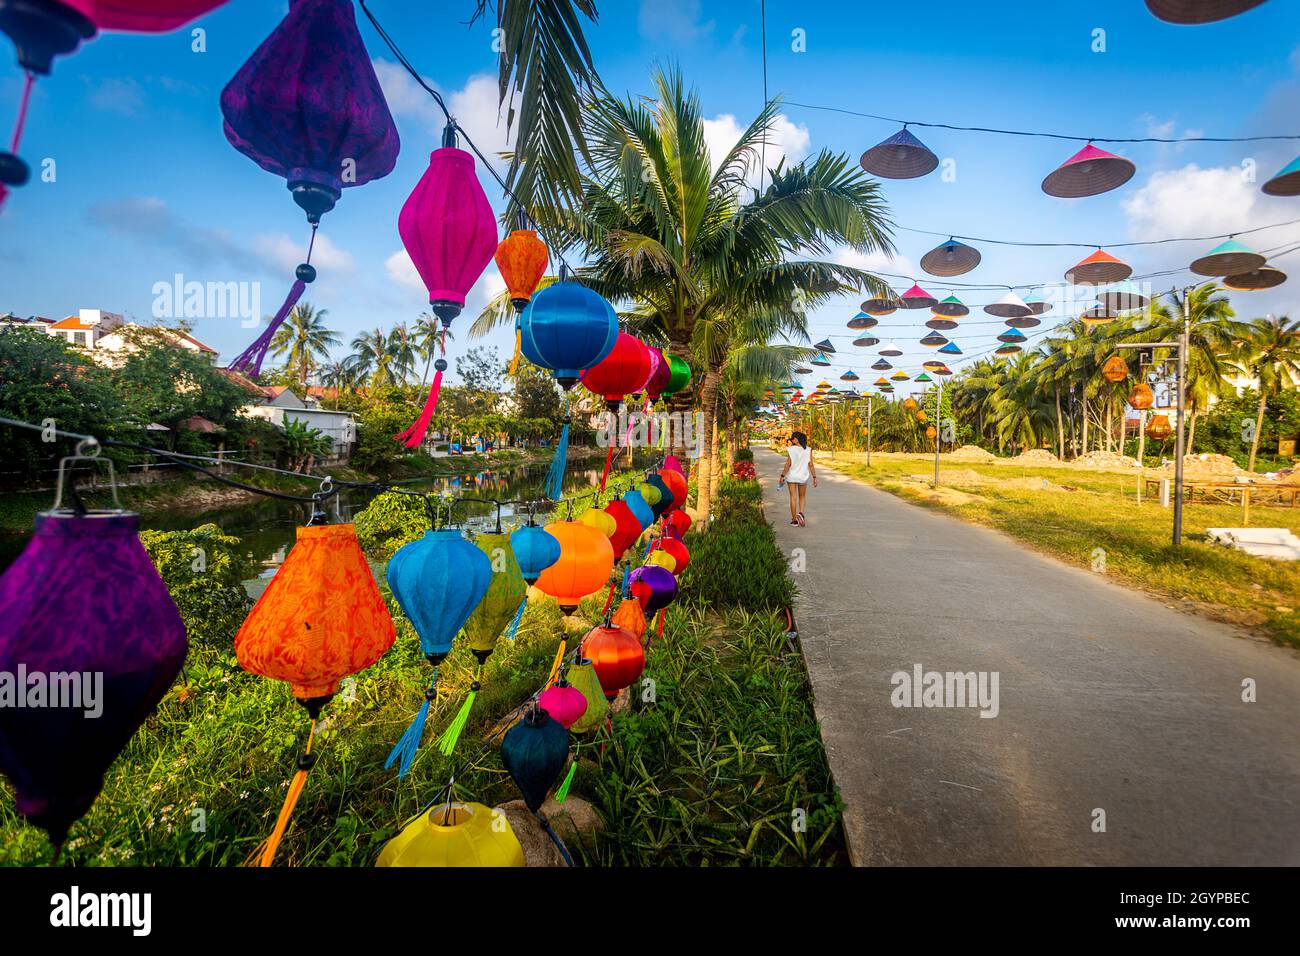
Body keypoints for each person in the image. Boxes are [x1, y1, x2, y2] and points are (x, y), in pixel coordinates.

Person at [778, 431, 817, 526]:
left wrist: (782, 476)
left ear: (797, 439)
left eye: (793, 438)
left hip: (792, 476)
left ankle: (794, 520)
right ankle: (801, 513)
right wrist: (814, 477)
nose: (792, 440)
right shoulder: (808, 450)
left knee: (793, 497)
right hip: (803, 476)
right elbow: (811, 465)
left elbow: (788, 464)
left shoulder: (791, 449)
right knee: (802, 496)